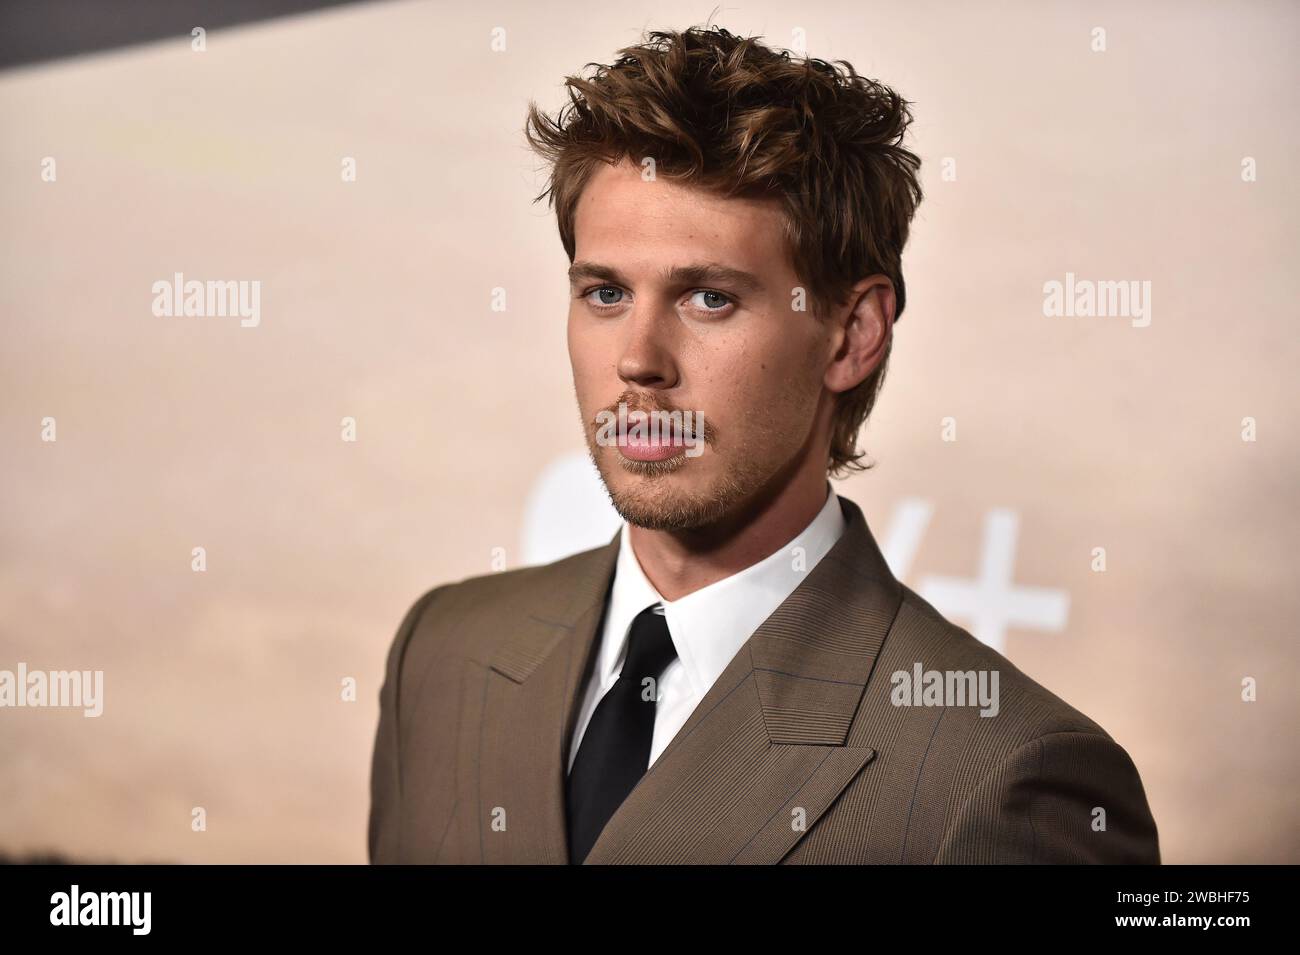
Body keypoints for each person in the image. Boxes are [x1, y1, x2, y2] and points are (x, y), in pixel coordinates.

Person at [368, 25, 1159, 864]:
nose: (637, 360)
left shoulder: (1003, 778)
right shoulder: (444, 652)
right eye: (604, 292)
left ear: (852, 335)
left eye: (709, 298)